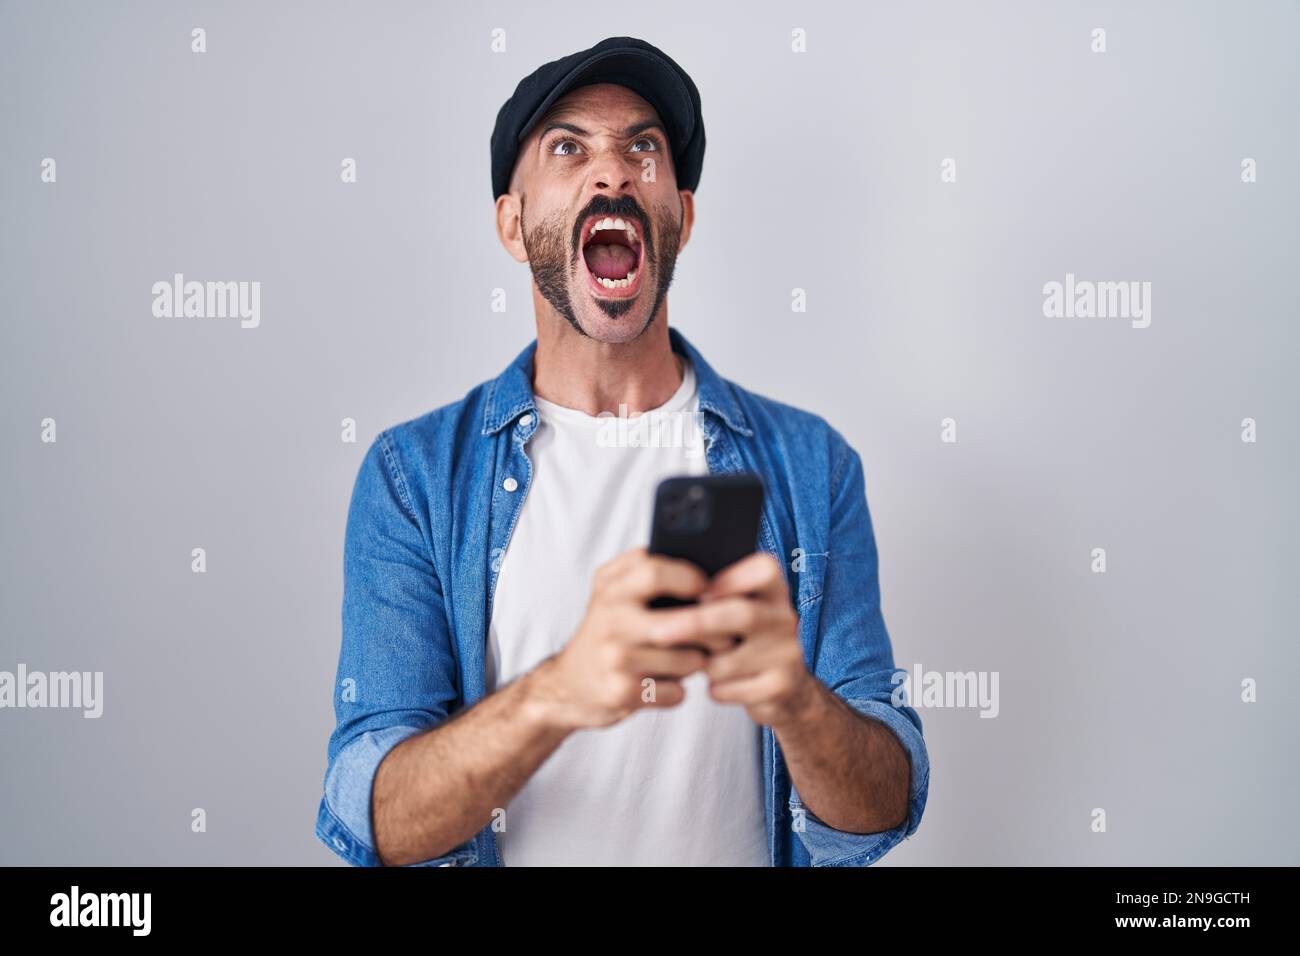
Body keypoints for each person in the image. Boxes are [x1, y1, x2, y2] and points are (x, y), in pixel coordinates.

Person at [315, 36, 929, 867]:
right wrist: (559, 691)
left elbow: (884, 803)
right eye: (568, 148)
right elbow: (377, 818)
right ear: (512, 221)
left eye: (642, 147)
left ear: (681, 213)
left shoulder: (812, 466)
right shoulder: (413, 478)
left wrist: (797, 703)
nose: (613, 174)